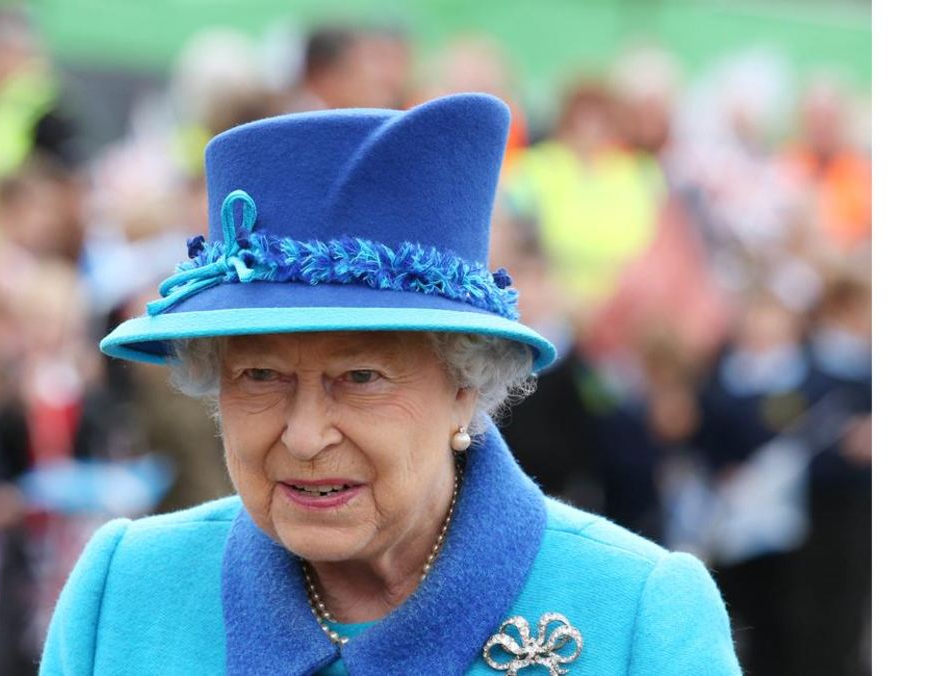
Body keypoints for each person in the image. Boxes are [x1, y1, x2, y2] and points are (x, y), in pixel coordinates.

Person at [39, 93, 741, 675]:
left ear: (465, 386)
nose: (305, 436)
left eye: (360, 377)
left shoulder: (637, 615)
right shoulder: (124, 591)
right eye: (260, 375)